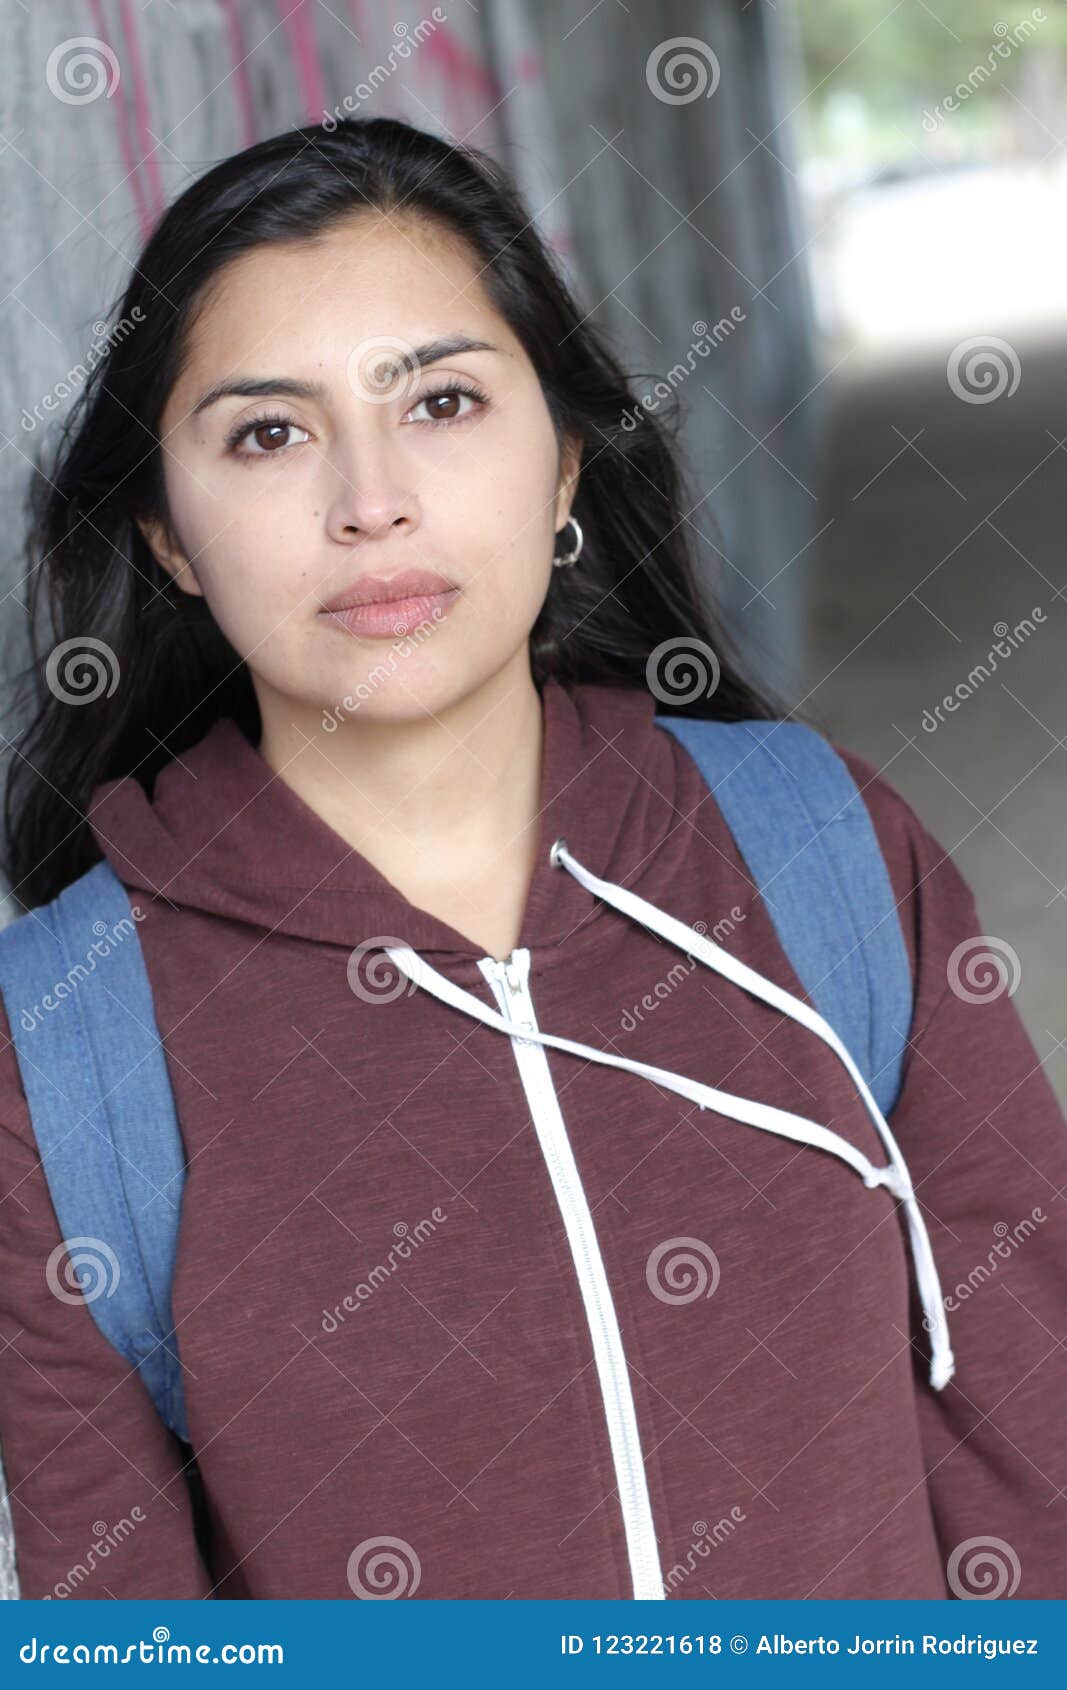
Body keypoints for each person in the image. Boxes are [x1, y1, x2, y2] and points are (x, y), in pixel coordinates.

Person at [0, 116, 1064, 1603]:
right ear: (169, 534)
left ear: (564, 460)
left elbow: (1035, 1445)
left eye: (440, 401)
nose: (370, 500)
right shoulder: (66, 1047)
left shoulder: (823, 847)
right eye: (268, 430)